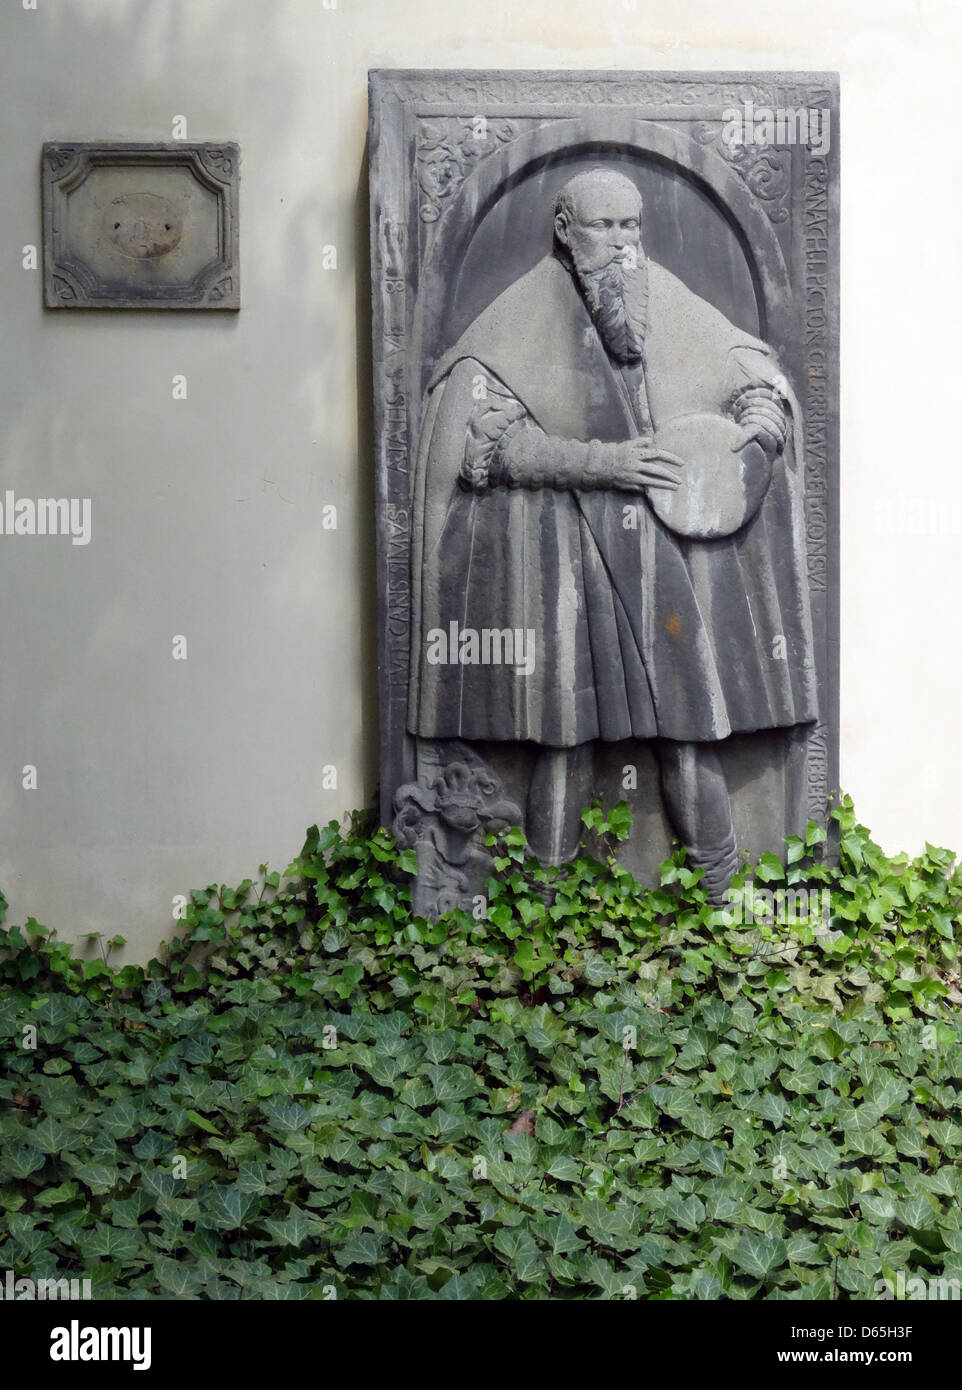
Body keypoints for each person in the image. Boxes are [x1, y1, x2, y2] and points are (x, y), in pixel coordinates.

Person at [406, 167, 817, 900]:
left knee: (689, 735)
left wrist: (757, 426)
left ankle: (722, 899)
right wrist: (610, 463)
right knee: (565, 742)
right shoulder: (519, 317)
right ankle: (540, 918)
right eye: (605, 226)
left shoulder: (659, 296)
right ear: (566, 231)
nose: (624, 243)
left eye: (633, 227)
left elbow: (750, 370)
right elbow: (489, 449)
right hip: (571, 560)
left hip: (666, 563)